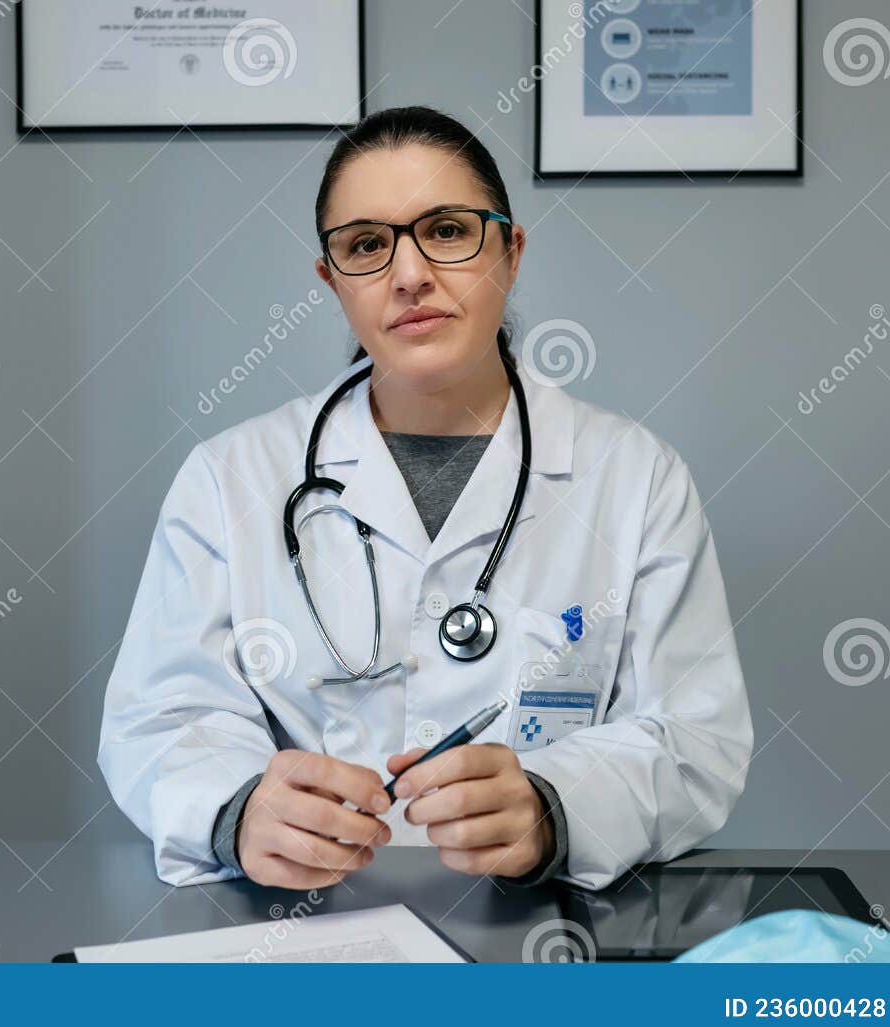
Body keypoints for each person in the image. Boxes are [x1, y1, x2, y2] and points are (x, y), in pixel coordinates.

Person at [98, 105, 752, 891]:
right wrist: (237, 809)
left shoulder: (635, 476)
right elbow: (156, 721)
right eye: (367, 245)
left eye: (446, 230)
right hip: (299, 931)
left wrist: (556, 804)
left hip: (537, 931)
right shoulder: (230, 477)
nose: (410, 274)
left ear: (510, 252)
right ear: (331, 279)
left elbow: (697, 739)